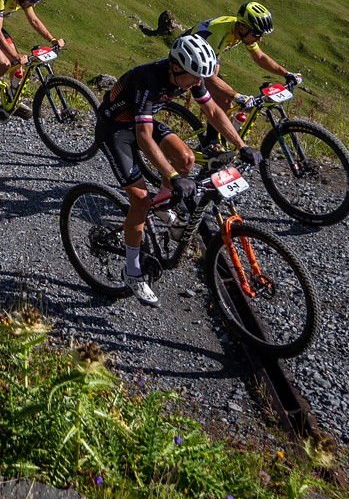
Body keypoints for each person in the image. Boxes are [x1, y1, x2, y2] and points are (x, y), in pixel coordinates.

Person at [94, 35, 251, 306]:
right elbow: (143, 136)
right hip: (115, 129)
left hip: (141, 122)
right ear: (175, 67)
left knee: (187, 159)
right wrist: (173, 178)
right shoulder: (148, 80)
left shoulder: (190, 76)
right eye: (192, 77)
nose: (195, 83)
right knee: (140, 201)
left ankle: (163, 208)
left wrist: (242, 145)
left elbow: (212, 111)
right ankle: (132, 271)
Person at [189, 2, 303, 143]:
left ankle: (218, 141)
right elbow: (209, 78)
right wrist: (239, 97)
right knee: (221, 98)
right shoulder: (219, 34)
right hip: (190, 60)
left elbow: (259, 57)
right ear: (242, 27)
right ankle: (211, 144)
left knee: (226, 102)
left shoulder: (241, 30)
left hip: (209, 56)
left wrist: (286, 74)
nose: (259, 39)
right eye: (256, 34)